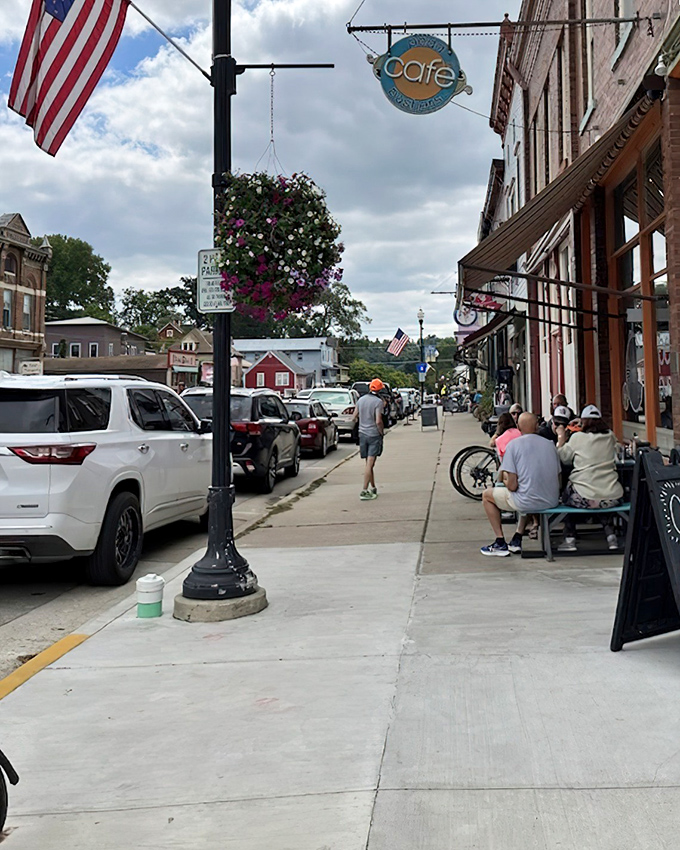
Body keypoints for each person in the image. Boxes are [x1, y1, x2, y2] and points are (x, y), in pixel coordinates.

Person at [480, 412, 561, 557]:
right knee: (526, 492)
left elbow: (512, 486)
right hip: (551, 500)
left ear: (518, 427)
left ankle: (500, 542)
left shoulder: (513, 446)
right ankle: (517, 537)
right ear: (537, 426)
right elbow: (559, 479)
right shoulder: (550, 445)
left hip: (527, 501)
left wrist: (504, 479)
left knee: (487, 496)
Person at [555, 404, 624, 551]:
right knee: (600, 496)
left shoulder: (577, 438)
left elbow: (563, 457)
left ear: (583, 421)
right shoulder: (610, 436)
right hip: (612, 497)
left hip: (584, 497)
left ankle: (570, 538)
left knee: (568, 493)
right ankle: (611, 536)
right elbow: (617, 450)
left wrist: (561, 438)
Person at [352, 378, 385, 501]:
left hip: (362, 434)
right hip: (373, 435)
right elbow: (378, 421)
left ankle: (373, 487)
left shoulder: (361, 400)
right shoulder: (378, 402)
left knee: (368, 464)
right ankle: (364, 490)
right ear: (380, 389)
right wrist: (381, 432)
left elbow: (354, 417)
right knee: (370, 464)